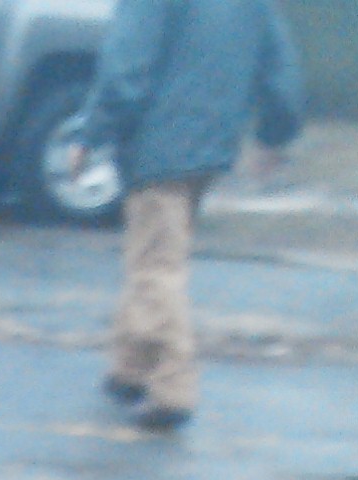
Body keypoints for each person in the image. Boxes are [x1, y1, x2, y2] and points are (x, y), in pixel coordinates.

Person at [82, 0, 306, 431]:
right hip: (212, 143)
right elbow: (281, 69)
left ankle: (173, 387)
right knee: (154, 251)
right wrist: (275, 134)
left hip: (159, 140)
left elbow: (125, 68)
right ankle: (130, 367)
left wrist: (94, 131)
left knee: (155, 264)